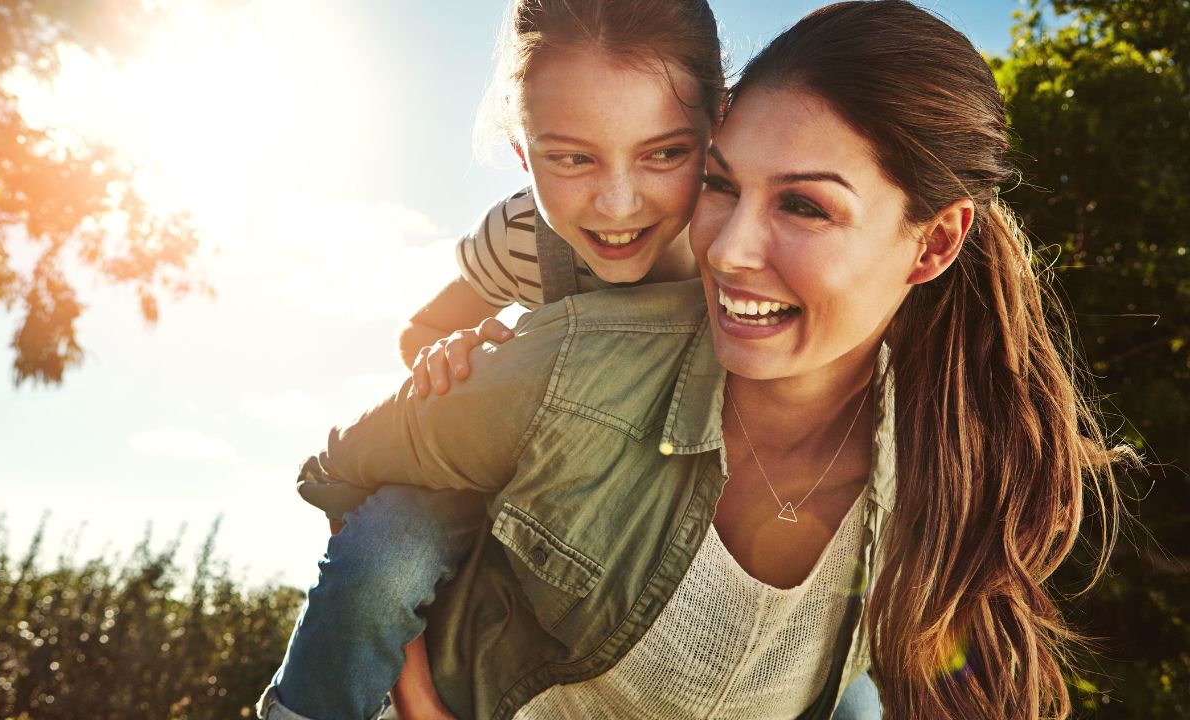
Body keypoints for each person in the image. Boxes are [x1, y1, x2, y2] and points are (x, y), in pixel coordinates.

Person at [280, 1, 1126, 718]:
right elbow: (403, 368)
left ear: (711, 120)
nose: (621, 204)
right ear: (525, 156)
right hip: (490, 452)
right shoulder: (534, 277)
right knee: (383, 558)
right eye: (572, 158)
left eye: (670, 157)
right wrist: (453, 360)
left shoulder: (930, 429)